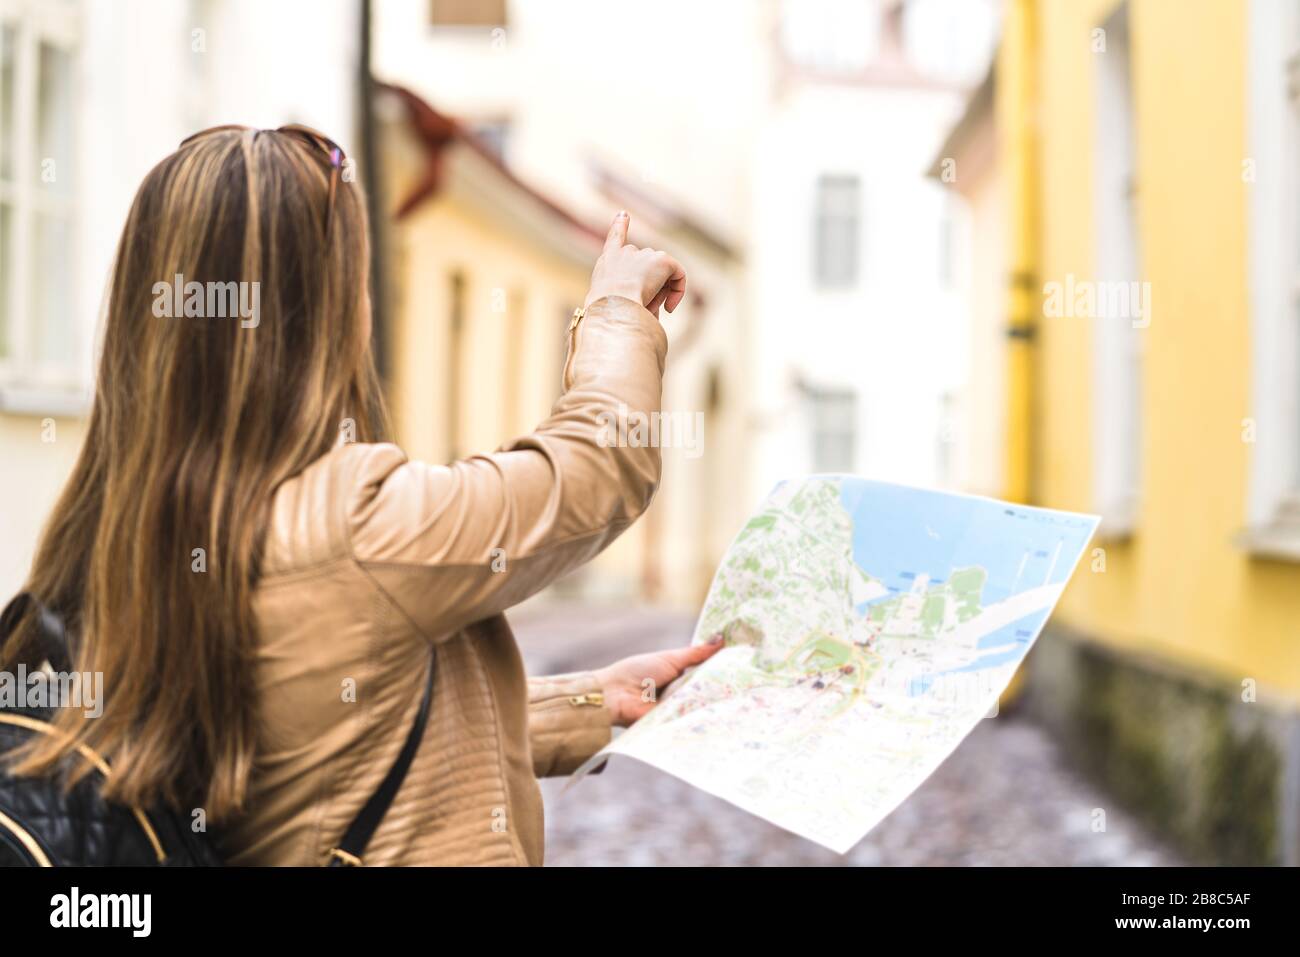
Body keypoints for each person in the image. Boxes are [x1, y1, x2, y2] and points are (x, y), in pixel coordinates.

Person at [1, 125, 720, 865]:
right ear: (320, 312)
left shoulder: (120, 529)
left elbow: (328, 733)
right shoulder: (351, 523)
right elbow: (596, 469)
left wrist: (591, 702)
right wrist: (613, 315)